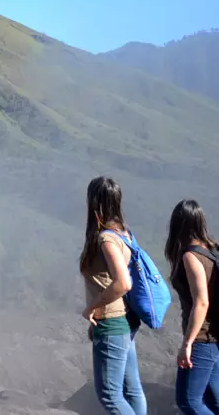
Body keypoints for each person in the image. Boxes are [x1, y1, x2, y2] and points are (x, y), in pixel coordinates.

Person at [79, 176, 147, 415]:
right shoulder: (123, 234)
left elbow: (122, 283)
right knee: (132, 390)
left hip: (113, 321)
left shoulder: (107, 239)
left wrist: (92, 308)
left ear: (94, 203)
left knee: (110, 395)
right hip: (124, 320)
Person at [164, 199, 219, 415]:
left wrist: (187, 344)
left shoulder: (191, 257)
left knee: (188, 400)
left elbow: (202, 302)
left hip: (202, 338)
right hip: (217, 335)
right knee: (215, 398)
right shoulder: (209, 252)